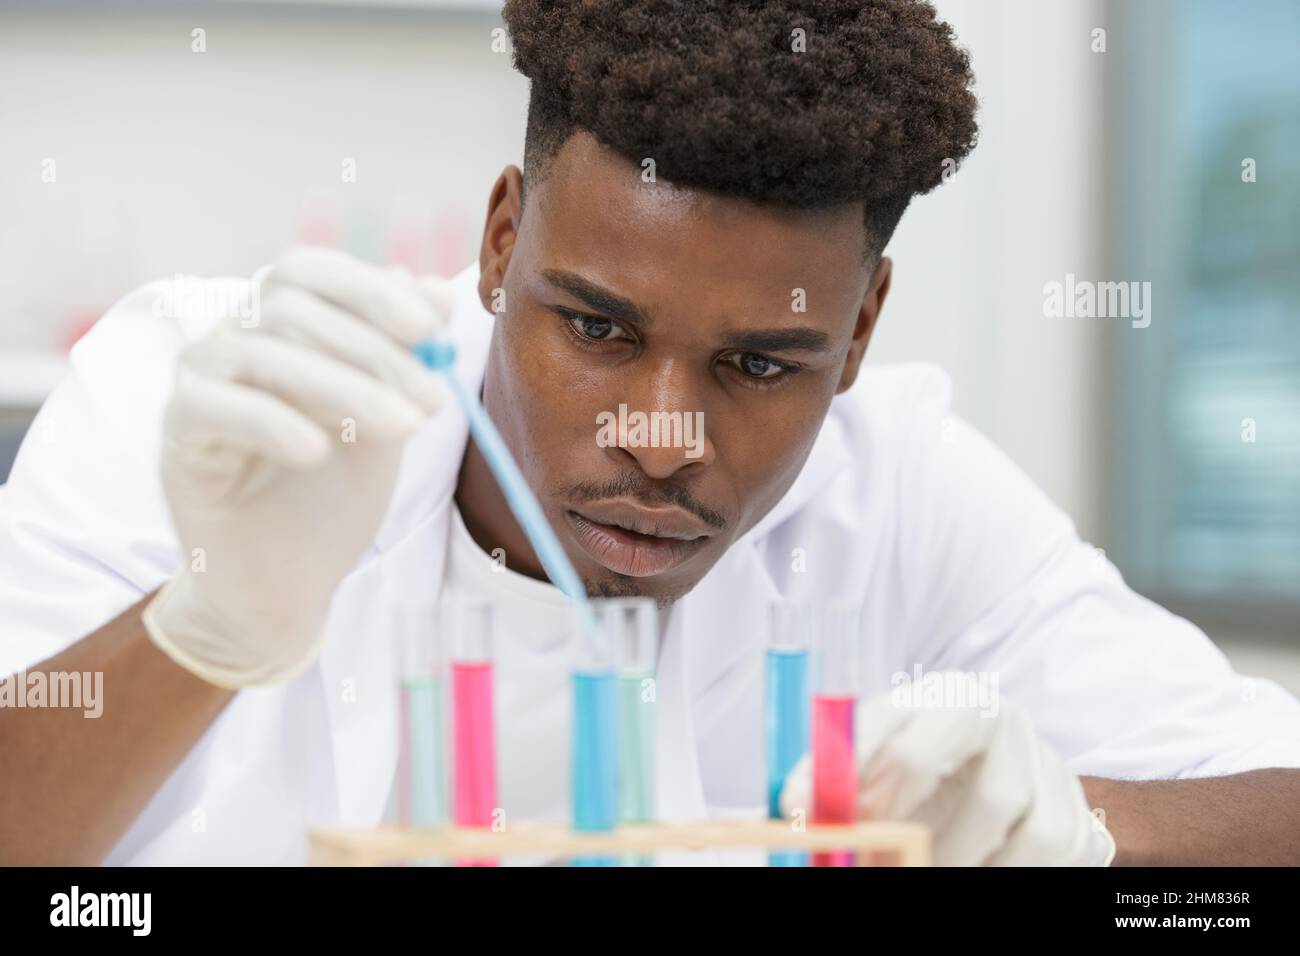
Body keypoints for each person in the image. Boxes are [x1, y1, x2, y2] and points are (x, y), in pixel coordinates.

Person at [2, 0, 1298, 866]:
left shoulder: (899, 493)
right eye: (601, 330)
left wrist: (1083, 836)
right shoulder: (215, 394)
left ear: (856, 335)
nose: (663, 434)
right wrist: (204, 629)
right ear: (503, 239)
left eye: (757, 364)